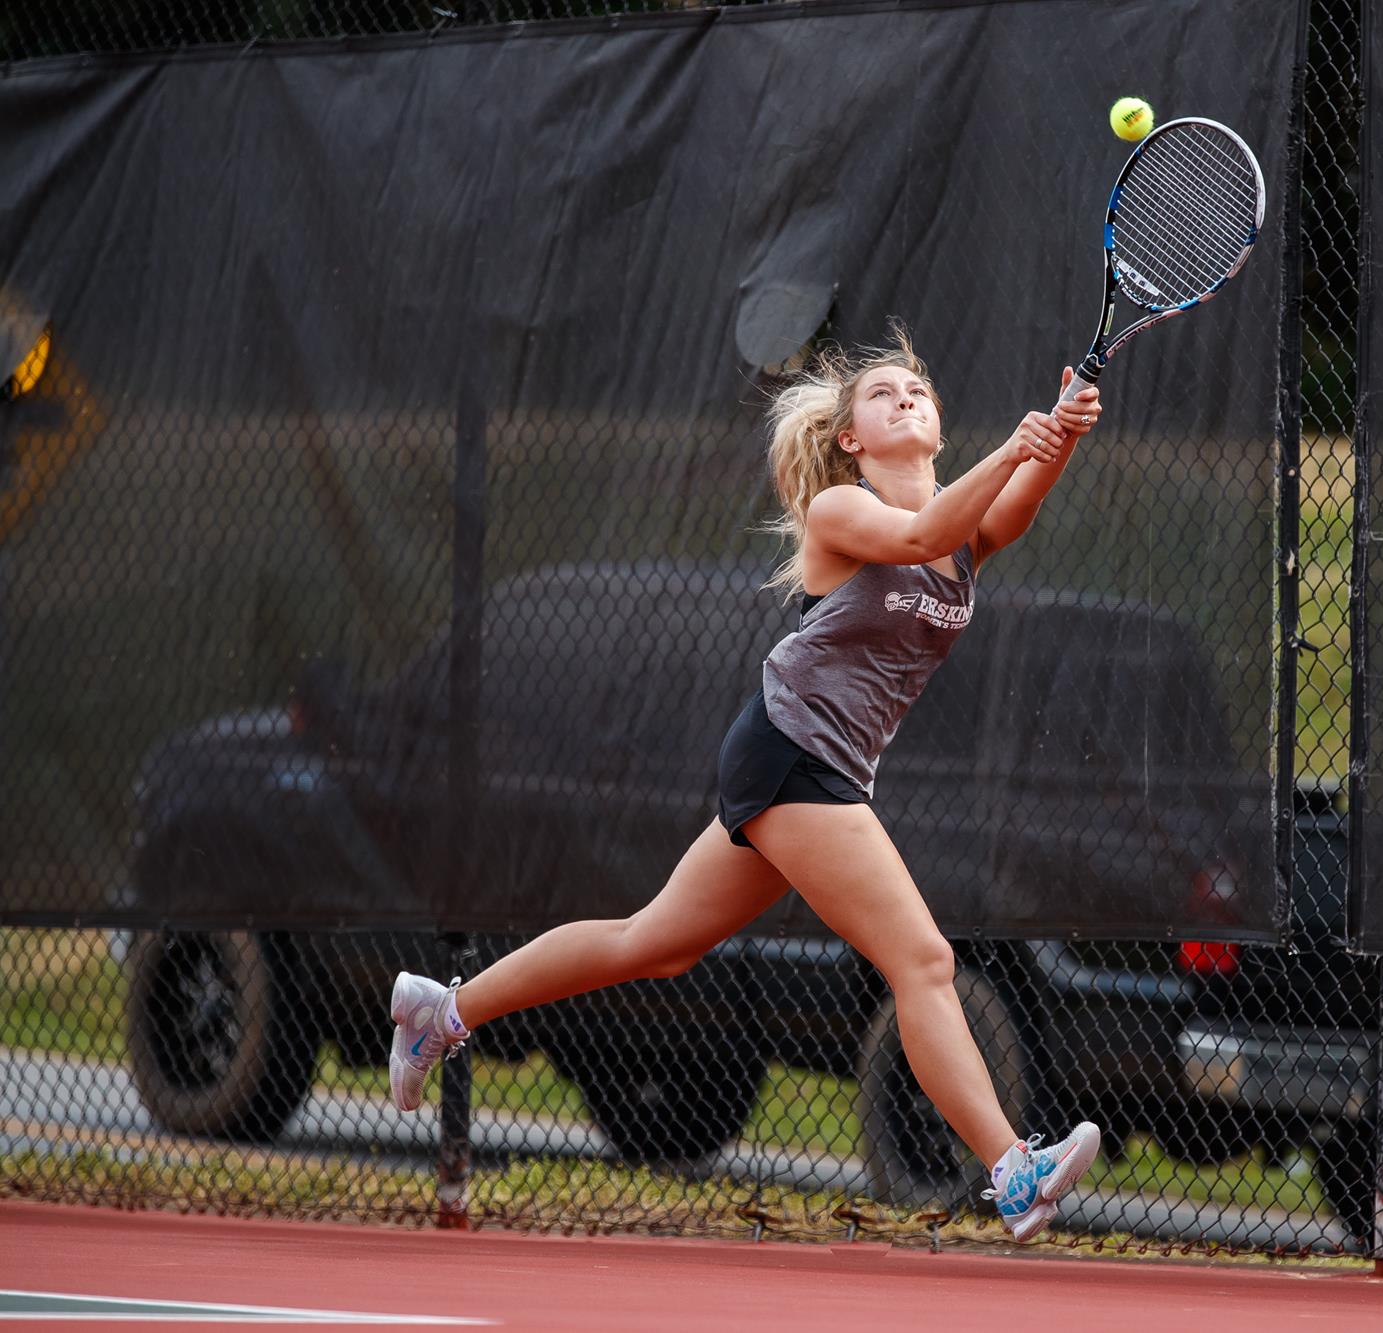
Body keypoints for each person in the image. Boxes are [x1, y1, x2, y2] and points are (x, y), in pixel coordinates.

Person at [386, 329, 1105, 1242]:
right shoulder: (842, 511)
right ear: (852, 438)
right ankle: (1013, 1169)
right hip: (789, 755)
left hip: (821, 768)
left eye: (917, 392)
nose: (906, 401)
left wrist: (1066, 430)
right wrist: (1018, 442)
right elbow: (925, 529)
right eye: (883, 396)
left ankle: (440, 1009)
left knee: (651, 941)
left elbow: (1000, 515)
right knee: (923, 959)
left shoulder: (965, 537)